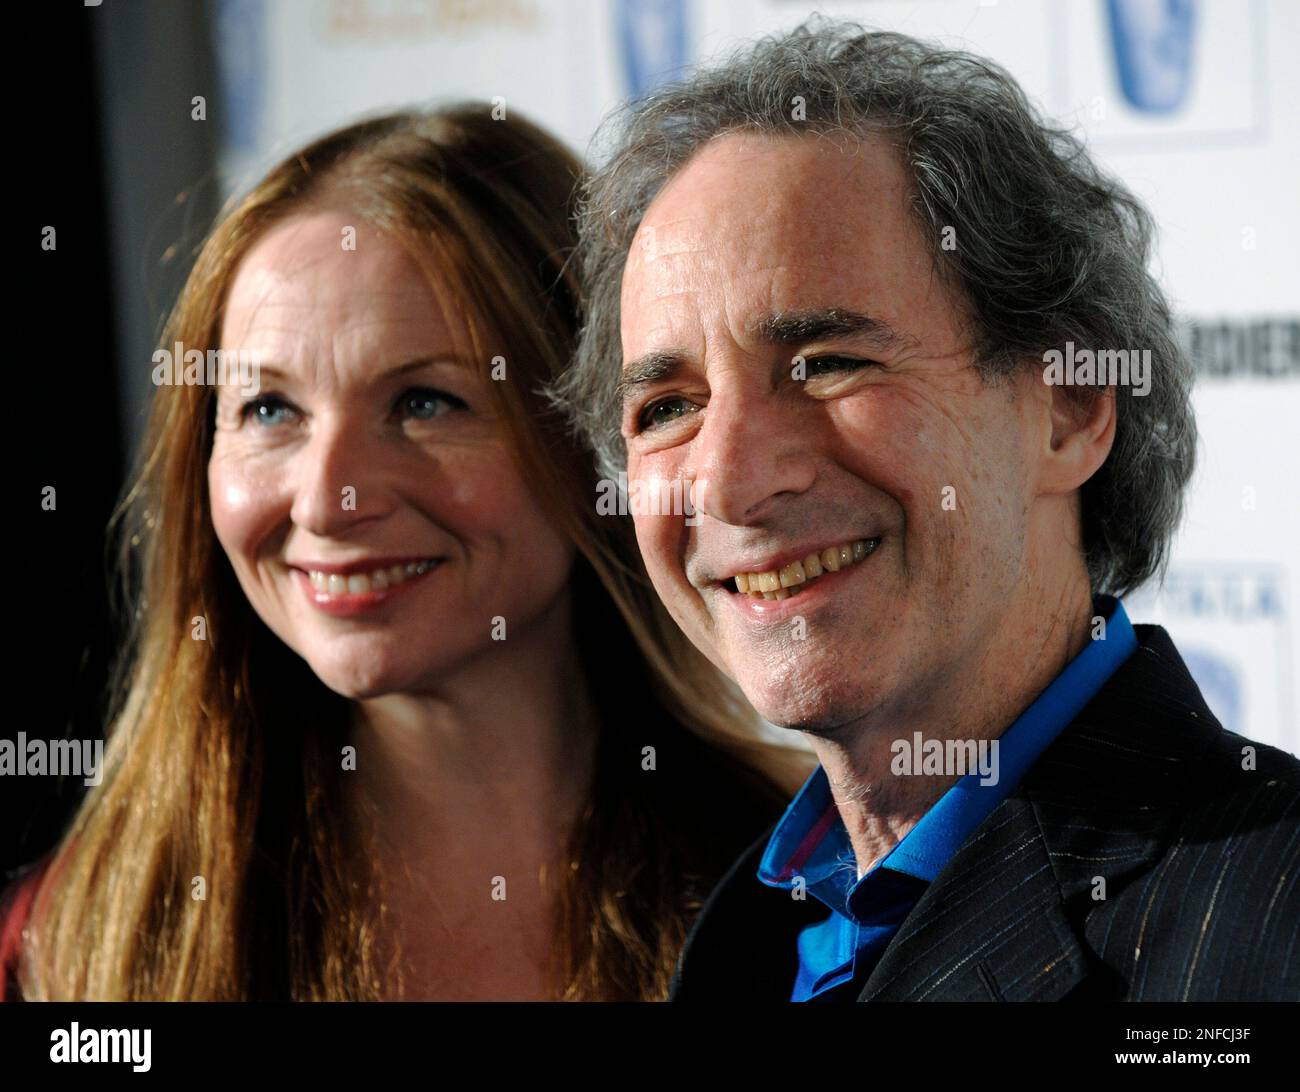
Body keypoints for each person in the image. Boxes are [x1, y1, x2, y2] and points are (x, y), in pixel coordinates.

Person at [550, 19, 1300, 1001]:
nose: (728, 480)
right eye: (669, 408)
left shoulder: (1271, 925)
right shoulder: (741, 933)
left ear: (1067, 408)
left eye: (826, 364)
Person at [0, 104, 808, 1001]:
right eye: (270, 410)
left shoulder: (814, 883)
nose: (326, 499)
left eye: (425, 402)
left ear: (596, 437)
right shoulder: (77, 935)